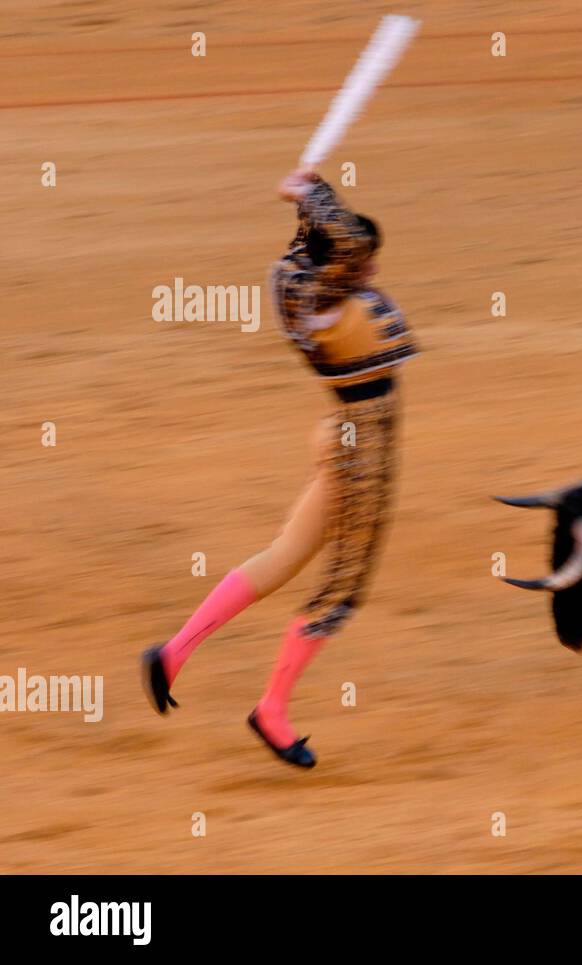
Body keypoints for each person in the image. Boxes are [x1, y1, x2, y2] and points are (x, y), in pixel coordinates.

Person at [141, 167, 418, 768]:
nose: (370, 270)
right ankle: (271, 709)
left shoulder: (297, 276)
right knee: (341, 589)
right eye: (364, 263)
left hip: (338, 433)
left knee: (284, 558)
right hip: (360, 451)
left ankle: (174, 653)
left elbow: (324, 240)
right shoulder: (320, 293)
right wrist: (310, 194)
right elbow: (345, 242)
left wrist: (308, 198)